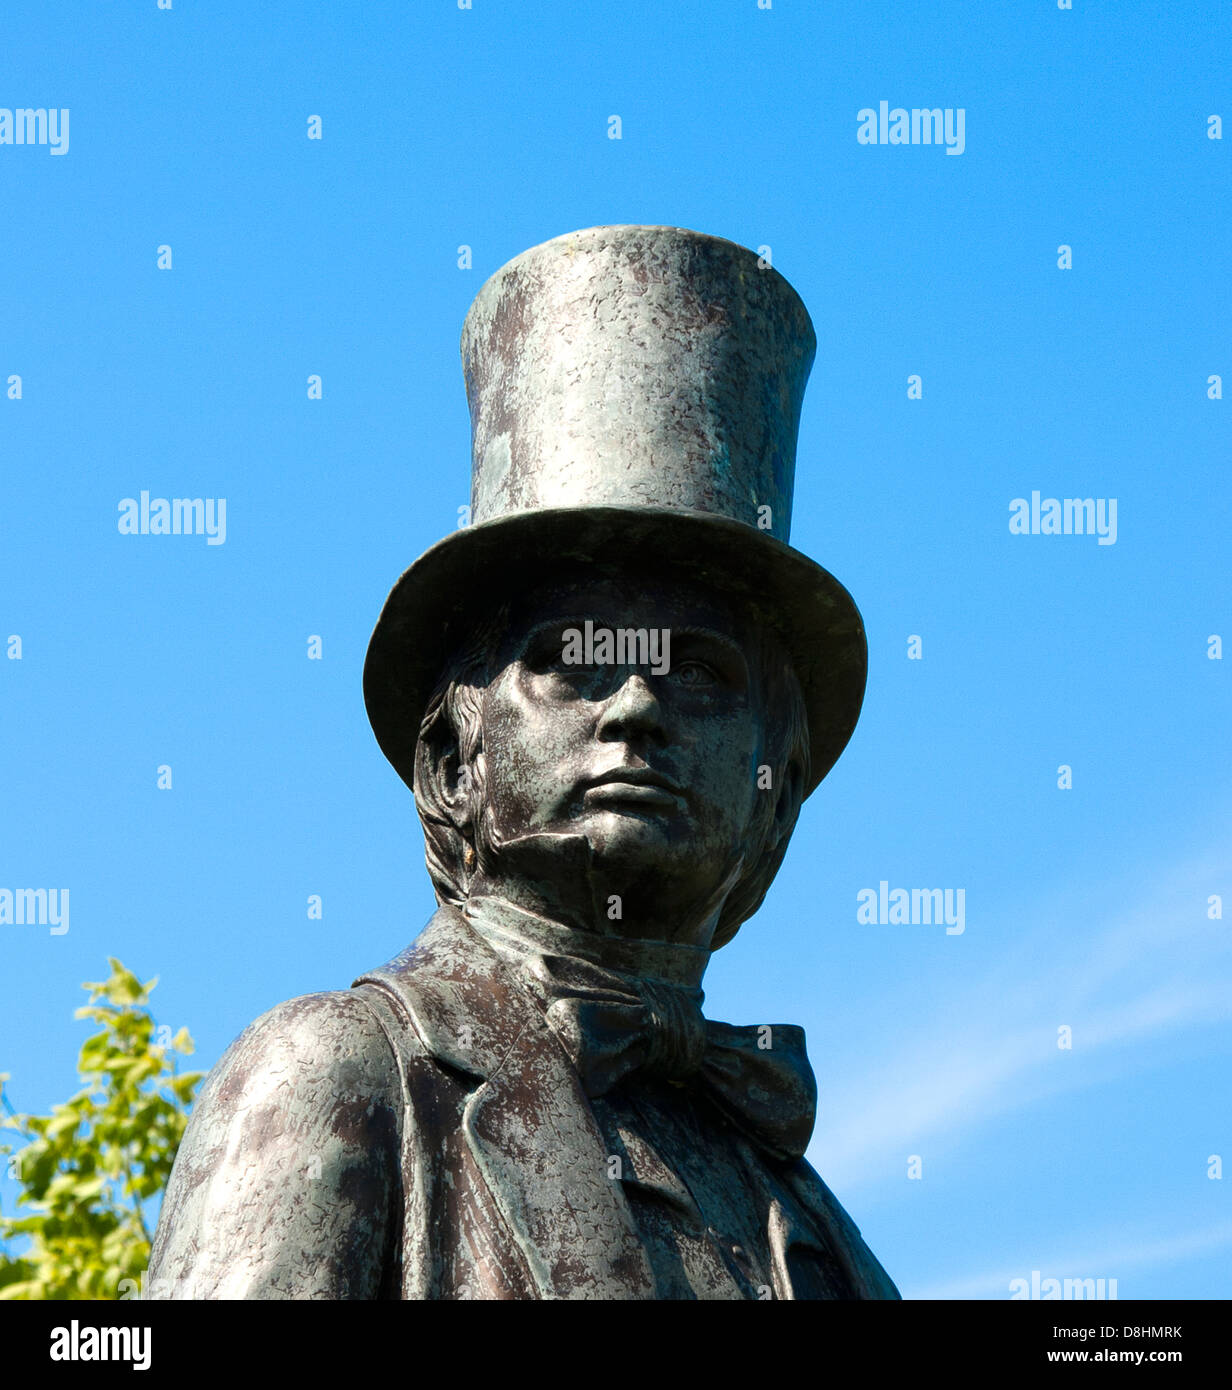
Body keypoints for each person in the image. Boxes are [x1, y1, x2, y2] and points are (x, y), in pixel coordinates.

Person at [146, 225, 900, 1300]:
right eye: (571, 662)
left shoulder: (817, 1221)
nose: (637, 702)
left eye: (701, 673)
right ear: (453, 763)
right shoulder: (340, 1076)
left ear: (774, 799)